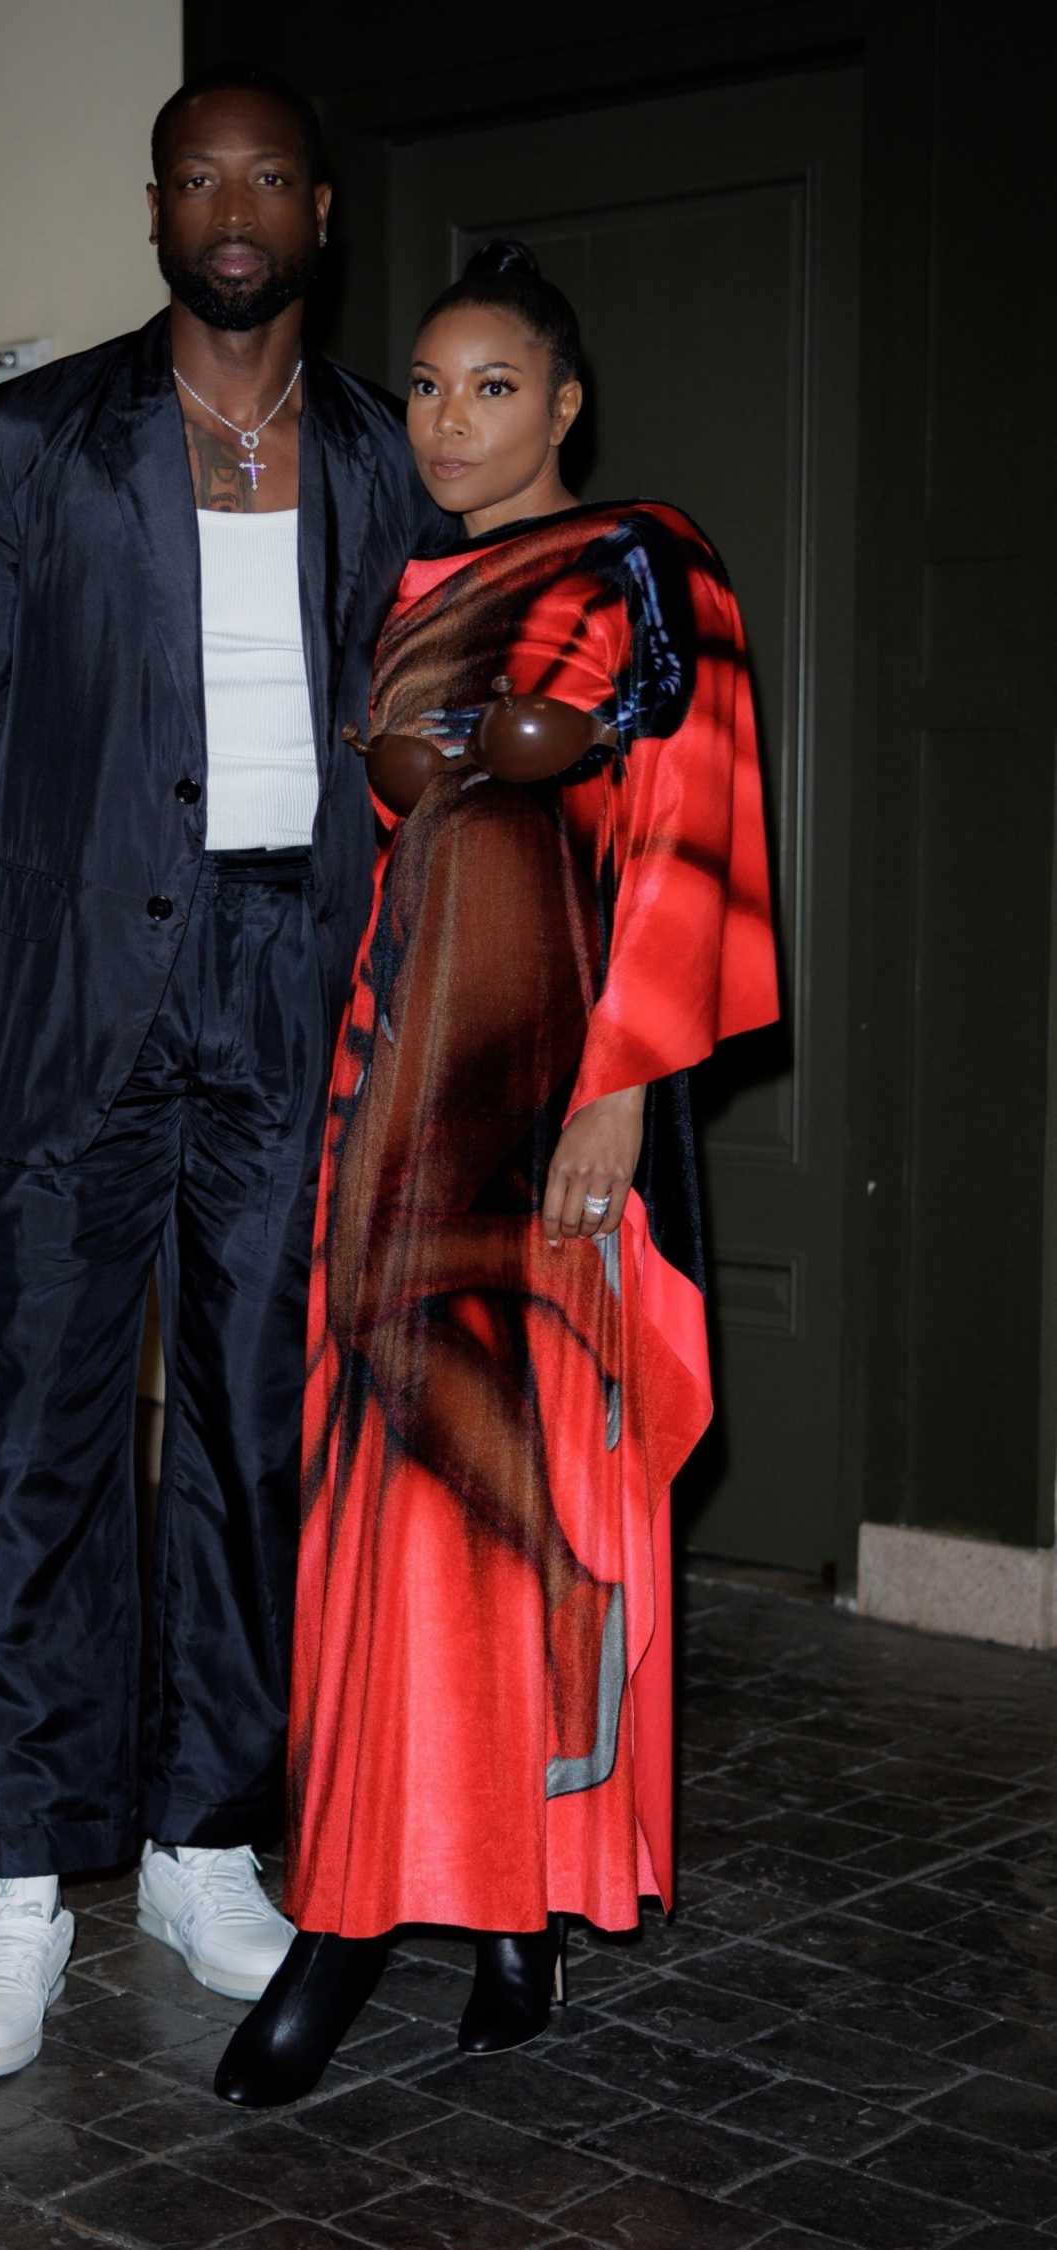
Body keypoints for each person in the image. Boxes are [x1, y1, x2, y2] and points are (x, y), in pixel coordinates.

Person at [0, 65, 445, 2082]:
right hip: (67, 1012)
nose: (233, 204)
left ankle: (206, 1843)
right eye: (199, 174)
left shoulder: (388, 461)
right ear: (153, 207)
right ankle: (18, 1880)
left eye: (269, 172)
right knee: (36, 1435)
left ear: (320, 208)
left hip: (300, 1000)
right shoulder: (30, 443)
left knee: (259, 1444)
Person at [215, 240, 778, 2107]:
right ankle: (386, 1893)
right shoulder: (409, 589)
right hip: (399, 1083)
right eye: (431, 388)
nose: (451, 422)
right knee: (383, 1488)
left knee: (520, 1481)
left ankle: (495, 1899)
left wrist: (623, 1088)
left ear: (567, 401)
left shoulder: (648, 568)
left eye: (493, 387)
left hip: (551, 1094)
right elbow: (393, 857)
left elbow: (696, 831)